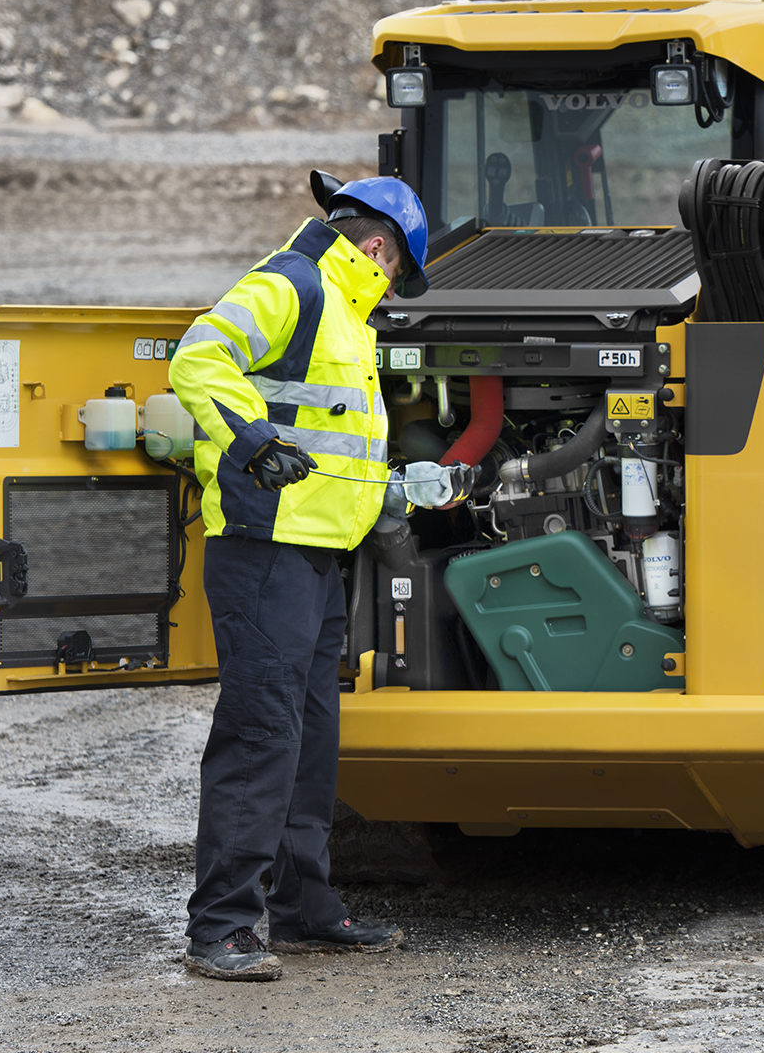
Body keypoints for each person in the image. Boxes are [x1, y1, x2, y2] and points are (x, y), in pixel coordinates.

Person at [169, 173, 456, 982]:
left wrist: (392, 492)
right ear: (379, 248)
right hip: (266, 546)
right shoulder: (292, 285)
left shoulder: (343, 311)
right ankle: (221, 928)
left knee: (309, 735)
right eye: (399, 271)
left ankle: (303, 909)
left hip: (320, 552)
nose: (394, 285)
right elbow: (199, 357)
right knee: (261, 734)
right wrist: (253, 441)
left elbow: (334, 445)